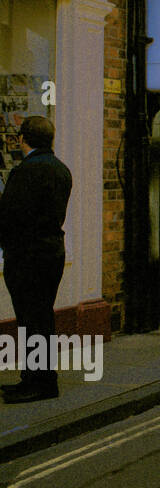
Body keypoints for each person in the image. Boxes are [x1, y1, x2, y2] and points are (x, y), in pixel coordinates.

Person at [0, 116, 72, 403]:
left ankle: (41, 383)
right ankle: (34, 378)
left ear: (22, 139)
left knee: (32, 321)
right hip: (51, 252)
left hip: (28, 256)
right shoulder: (61, 170)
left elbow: (10, 216)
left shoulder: (27, 171)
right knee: (41, 318)